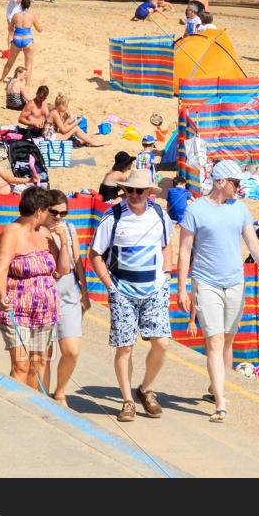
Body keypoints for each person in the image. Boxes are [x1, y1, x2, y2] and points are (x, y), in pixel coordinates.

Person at [177, 160, 259, 424]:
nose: (240, 187)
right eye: (236, 182)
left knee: (227, 341)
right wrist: (182, 288)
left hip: (234, 283)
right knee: (215, 341)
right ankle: (220, 402)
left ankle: (214, 388)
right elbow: (184, 251)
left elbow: (252, 241)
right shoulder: (195, 210)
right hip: (205, 282)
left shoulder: (239, 208)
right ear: (221, 182)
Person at [88, 168, 175, 423]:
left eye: (139, 190)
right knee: (125, 347)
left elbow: (166, 244)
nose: (134, 195)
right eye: (129, 190)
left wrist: (167, 275)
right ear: (124, 191)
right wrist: (109, 285)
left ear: (149, 192)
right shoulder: (112, 216)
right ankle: (128, 401)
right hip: (122, 291)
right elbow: (95, 254)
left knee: (162, 343)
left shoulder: (160, 214)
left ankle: (145, 388)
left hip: (156, 288)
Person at [0, 188, 71, 391]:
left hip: (44, 311)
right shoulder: (11, 233)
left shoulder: (44, 233)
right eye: (48, 211)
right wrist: (2, 296)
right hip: (17, 310)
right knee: (21, 365)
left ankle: (32, 409)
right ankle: (16, 409)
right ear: (38, 211)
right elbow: (1, 269)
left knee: (37, 364)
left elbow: (63, 269)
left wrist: (63, 241)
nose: (51, 216)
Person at [44, 189, 91, 406]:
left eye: (64, 213)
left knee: (71, 350)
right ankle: (42, 396)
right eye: (54, 212)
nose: (59, 217)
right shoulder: (38, 231)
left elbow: (78, 262)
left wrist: (85, 293)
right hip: (45, 295)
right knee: (45, 353)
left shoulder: (70, 229)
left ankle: (60, 391)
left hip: (69, 294)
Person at [0, 0, 41, 83]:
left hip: (17, 40)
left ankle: (1, 80)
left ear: (21, 5)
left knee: (10, 62)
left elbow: (10, 29)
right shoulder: (32, 16)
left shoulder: (16, 15)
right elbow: (39, 29)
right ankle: (27, 84)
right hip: (28, 40)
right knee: (28, 64)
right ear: (29, 6)